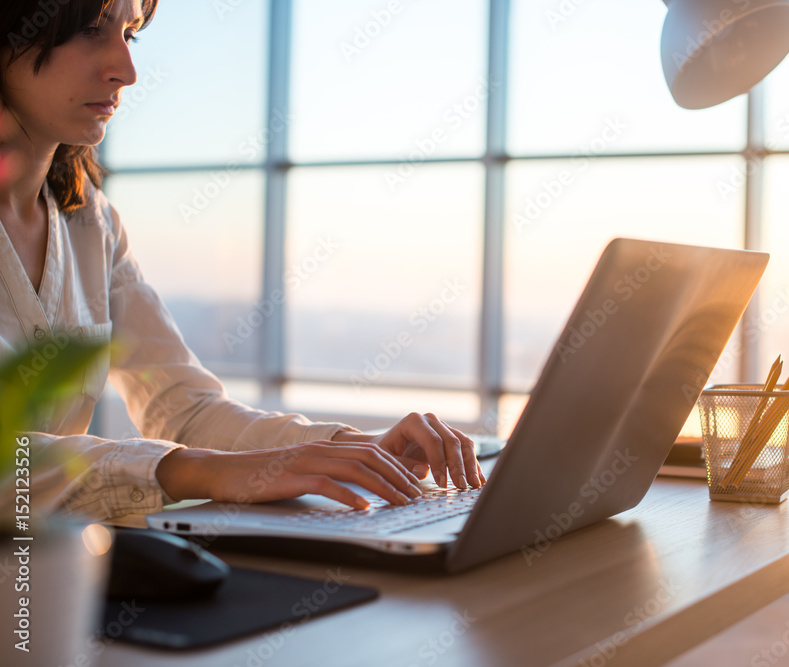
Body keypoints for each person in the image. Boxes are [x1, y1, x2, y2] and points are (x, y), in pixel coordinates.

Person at [0, 0, 485, 521]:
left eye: (131, 34)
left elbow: (183, 408)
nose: (127, 70)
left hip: (51, 578)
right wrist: (198, 471)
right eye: (92, 31)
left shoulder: (89, 221)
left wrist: (350, 447)